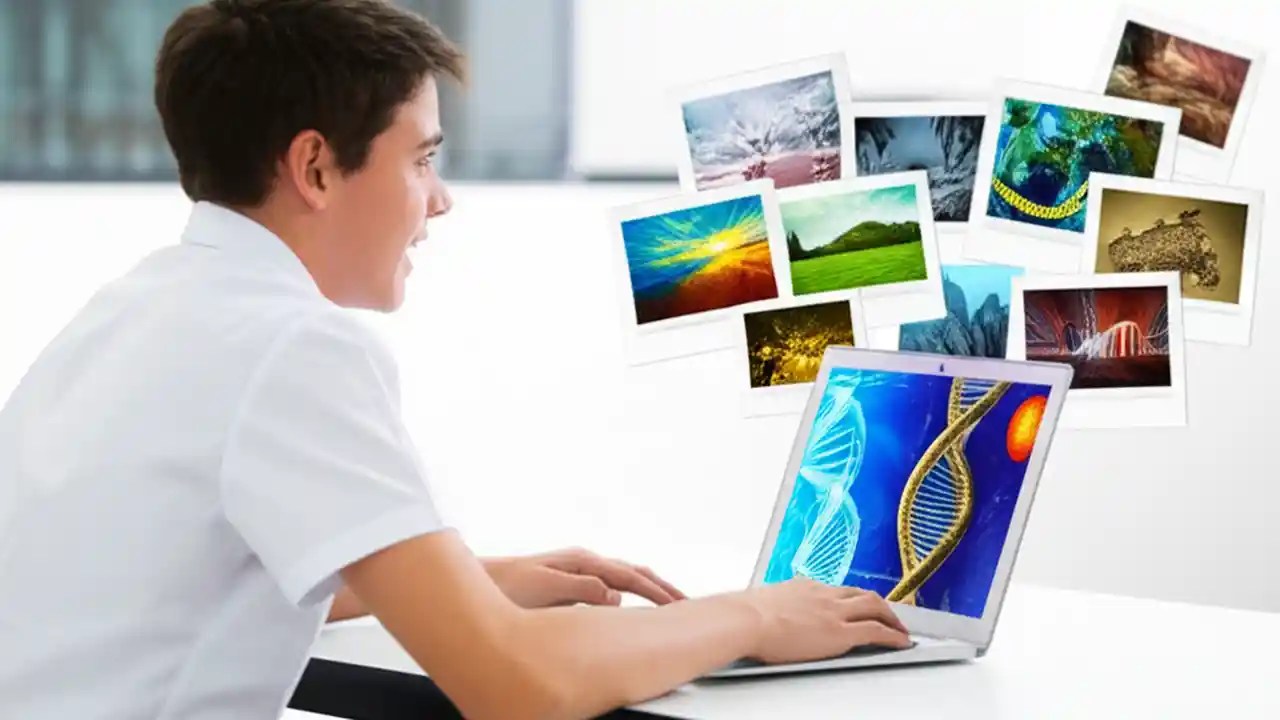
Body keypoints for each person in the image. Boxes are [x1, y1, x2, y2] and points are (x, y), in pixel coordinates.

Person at [0, 1, 911, 718]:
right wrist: (751, 617)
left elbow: (169, 591)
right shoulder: (292, 346)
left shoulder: (133, 310)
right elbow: (514, 687)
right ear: (315, 169)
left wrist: (472, 582)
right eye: (422, 160)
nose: (439, 202)